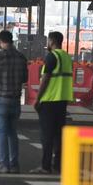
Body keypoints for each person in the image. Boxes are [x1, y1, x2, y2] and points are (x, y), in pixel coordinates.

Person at [30, 32, 74, 175]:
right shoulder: (67, 57)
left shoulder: (52, 56)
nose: (47, 43)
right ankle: (58, 166)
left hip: (49, 100)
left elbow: (46, 79)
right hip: (62, 100)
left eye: (48, 40)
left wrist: (37, 98)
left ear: (52, 41)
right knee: (58, 135)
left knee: (47, 136)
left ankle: (45, 166)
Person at [0, 30, 28, 173]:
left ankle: (4, 164)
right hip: (15, 100)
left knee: (2, 133)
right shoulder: (21, 57)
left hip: (1, 100)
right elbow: (25, 78)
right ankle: (14, 164)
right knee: (12, 133)